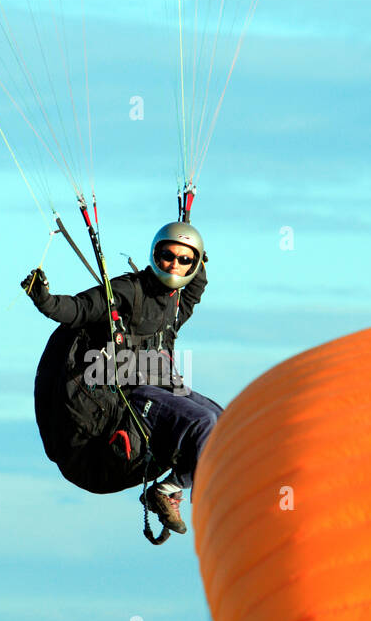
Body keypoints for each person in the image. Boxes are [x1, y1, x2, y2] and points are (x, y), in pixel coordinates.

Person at [22, 221, 222, 534]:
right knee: (202, 424)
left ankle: (172, 487)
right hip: (128, 395)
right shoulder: (130, 291)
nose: (174, 264)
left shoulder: (173, 302)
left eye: (185, 260)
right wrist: (45, 300)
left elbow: (193, 293)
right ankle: (171, 491)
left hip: (158, 387)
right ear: (155, 254)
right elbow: (80, 309)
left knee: (222, 422)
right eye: (168, 255)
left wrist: (201, 259)